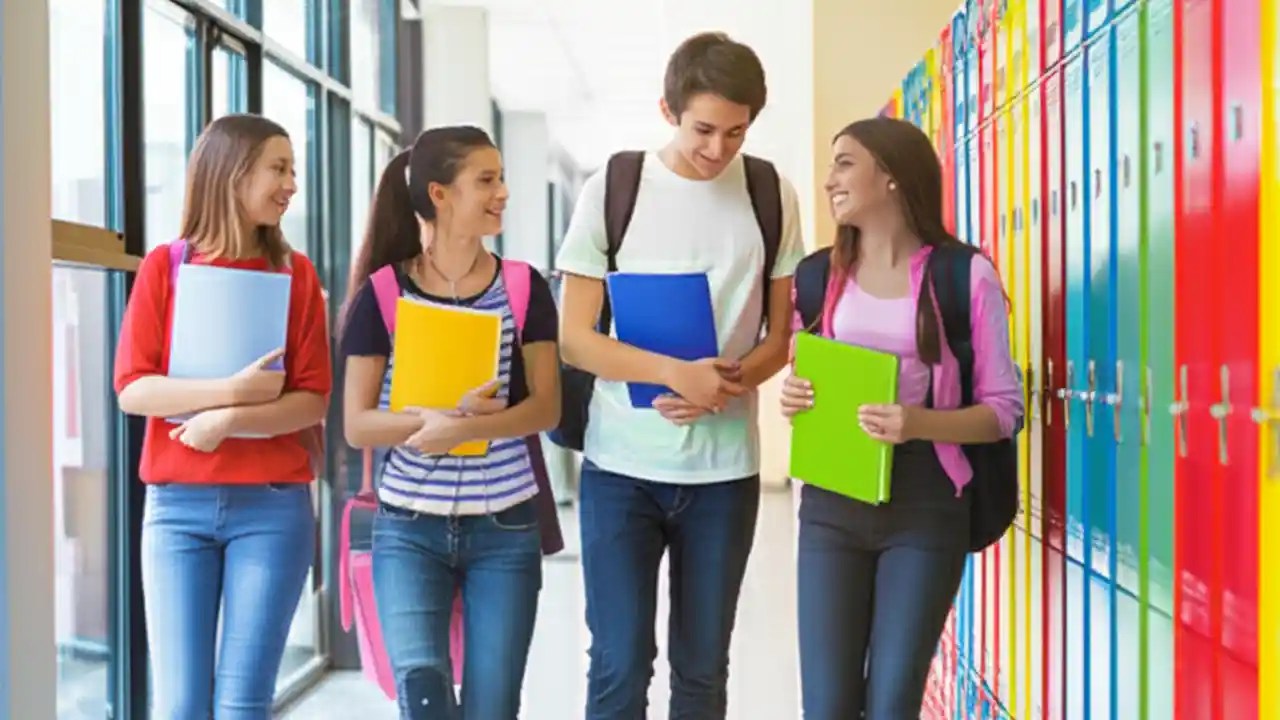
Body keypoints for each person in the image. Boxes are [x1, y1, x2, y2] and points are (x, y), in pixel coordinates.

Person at [556, 32, 805, 718]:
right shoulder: (615, 186)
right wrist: (676, 374)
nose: (719, 148)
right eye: (703, 128)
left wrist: (722, 385)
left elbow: (780, 336)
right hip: (620, 470)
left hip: (724, 475)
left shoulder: (769, 192)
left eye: (736, 131)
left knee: (701, 671)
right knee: (618, 663)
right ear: (667, 110)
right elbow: (576, 340)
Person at [781, 117, 1023, 719]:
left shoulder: (965, 275)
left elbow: (1004, 410)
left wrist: (919, 423)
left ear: (889, 176)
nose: (830, 179)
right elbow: (802, 372)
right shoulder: (817, 278)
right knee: (828, 706)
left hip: (926, 501)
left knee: (892, 703)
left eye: (844, 163)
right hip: (833, 500)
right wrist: (794, 396)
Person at [112, 114, 331, 718]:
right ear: (232, 175)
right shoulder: (166, 267)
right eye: (278, 168)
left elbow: (311, 400)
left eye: (293, 169)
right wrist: (232, 392)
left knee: (242, 704)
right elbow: (133, 389)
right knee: (180, 706)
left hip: (272, 507)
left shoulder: (296, 274)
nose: (291, 184)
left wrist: (226, 421)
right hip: (177, 511)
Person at [339, 126, 562, 720]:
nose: (502, 193)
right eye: (485, 180)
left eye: (501, 178)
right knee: (426, 703)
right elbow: (358, 425)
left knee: (493, 709)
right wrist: (430, 421)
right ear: (438, 194)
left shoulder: (522, 287)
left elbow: (547, 408)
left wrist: (463, 430)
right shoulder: (384, 295)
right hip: (409, 530)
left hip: (506, 529)